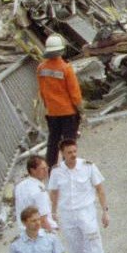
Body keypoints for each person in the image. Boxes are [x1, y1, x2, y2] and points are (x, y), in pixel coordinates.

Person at [47, 139, 110, 253]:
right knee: (76, 250)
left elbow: (100, 190)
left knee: (94, 248)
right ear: (62, 154)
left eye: (75, 151)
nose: (73, 155)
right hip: (67, 215)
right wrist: (53, 212)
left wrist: (105, 211)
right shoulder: (56, 171)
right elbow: (54, 193)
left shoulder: (88, 166)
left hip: (86, 212)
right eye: (69, 152)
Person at [37, 34, 83, 167]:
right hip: (68, 112)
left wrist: (47, 106)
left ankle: (50, 168)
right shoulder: (66, 68)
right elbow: (75, 93)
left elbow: (42, 91)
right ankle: (68, 168)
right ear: (62, 50)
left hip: (52, 112)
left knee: (53, 143)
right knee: (68, 143)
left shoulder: (41, 68)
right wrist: (81, 110)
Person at [14, 154, 52, 230]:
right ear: (33, 170)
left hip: (24, 230)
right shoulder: (39, 190)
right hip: (39, 231)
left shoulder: (19, 186)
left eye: (47, 168)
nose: (46, 171)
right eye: (43, 169)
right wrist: (51, 232)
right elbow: (43, 220)